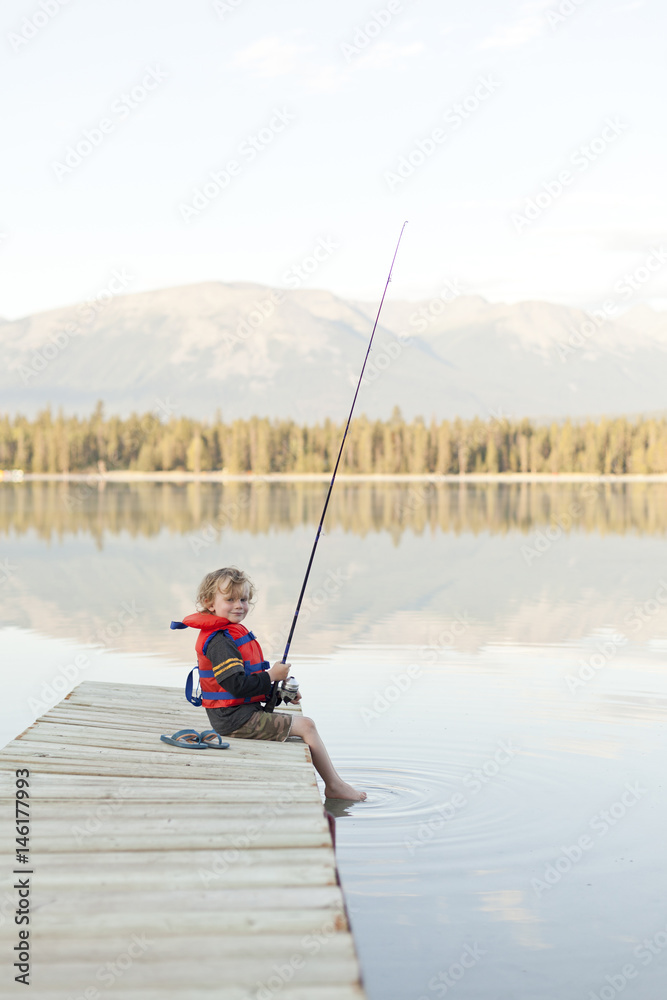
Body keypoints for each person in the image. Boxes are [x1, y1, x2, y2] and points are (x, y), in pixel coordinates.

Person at [176, 566, 366, 802]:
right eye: (230, 599)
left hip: (238, 712)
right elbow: (236, 685)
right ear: (210, 603)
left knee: (303, 727)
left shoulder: (229, 633)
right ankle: (334, 786)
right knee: (307, 726)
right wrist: (272, 676)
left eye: (244, 599)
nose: (239, 605)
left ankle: (334, 784)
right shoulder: (220, 642)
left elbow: (246, 687)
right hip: (233, 720)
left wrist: (278, 694)